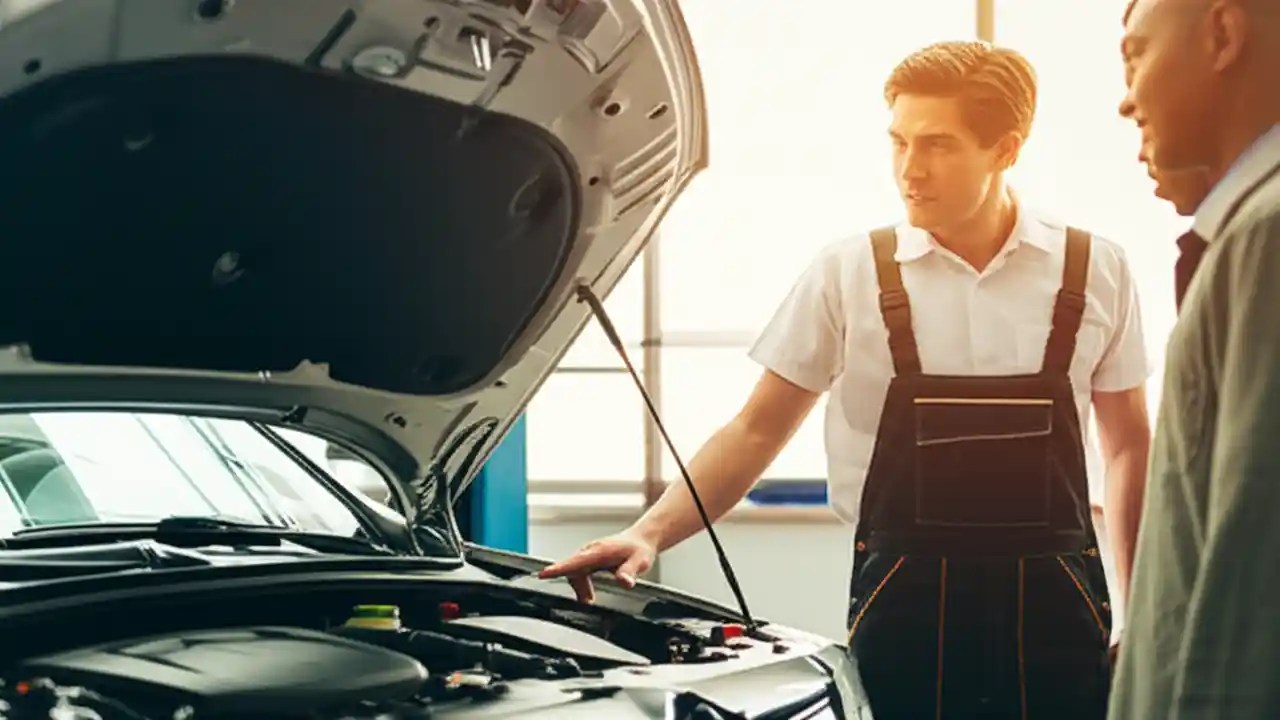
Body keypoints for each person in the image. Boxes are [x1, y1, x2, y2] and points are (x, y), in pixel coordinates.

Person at [541, 40, 1153, 718]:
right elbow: (755, 429)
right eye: (898, 142)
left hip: (1059, 613)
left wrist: (1145, 607)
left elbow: (1128, 444)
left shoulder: (1096, 269)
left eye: (938, 145)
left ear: (1006, 149)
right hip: (904, 608)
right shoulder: (849, 272)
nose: (909, 170)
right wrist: (649, 533)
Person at [1111, 0, 1280, 717]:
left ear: (1221, 35)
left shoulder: (1265, 238)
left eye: (1136, 54)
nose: (1125, 100)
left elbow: (1250, 577)